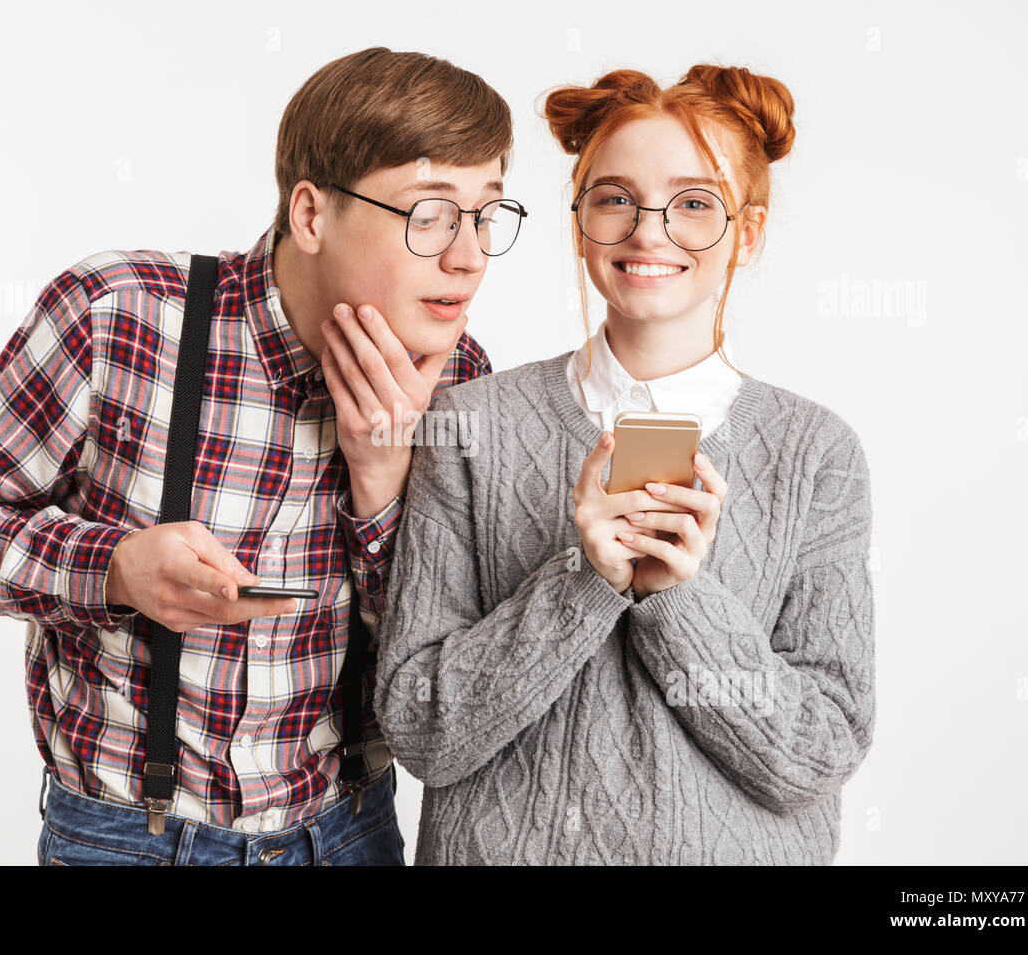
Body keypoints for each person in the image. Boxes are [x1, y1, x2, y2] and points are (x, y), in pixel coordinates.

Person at [0, 46, 529, 866]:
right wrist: (115, 570)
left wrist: (380, 484)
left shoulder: (464, 383)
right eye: (431, 213)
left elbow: (438, 676)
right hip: (129, 837)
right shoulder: (122, 317)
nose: (470, 255)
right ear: (310, 214)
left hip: (347, 835)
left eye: (487, 214)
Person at [373, 64, 875, 865]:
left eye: (694, 203)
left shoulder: (816, 454)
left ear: (747, 233)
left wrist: (680, 600)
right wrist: (582, 579)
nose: (649, 231)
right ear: (580, 225)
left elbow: (816, 755)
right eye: (615, 199)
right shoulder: (471, 424)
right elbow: (420, 729)